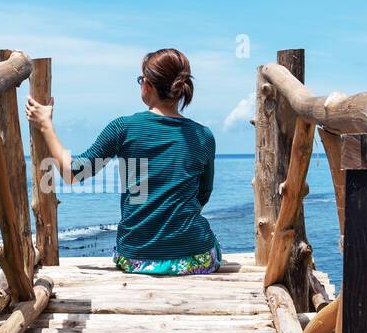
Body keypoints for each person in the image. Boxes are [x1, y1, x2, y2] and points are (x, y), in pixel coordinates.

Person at [25, 48, 221, 275]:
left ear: (147, 84)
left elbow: (72, 173)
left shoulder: (123, 128)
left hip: (137, 259)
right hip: (195, 258)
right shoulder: (203, 136)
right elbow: (202, 195)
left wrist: (45, 125)